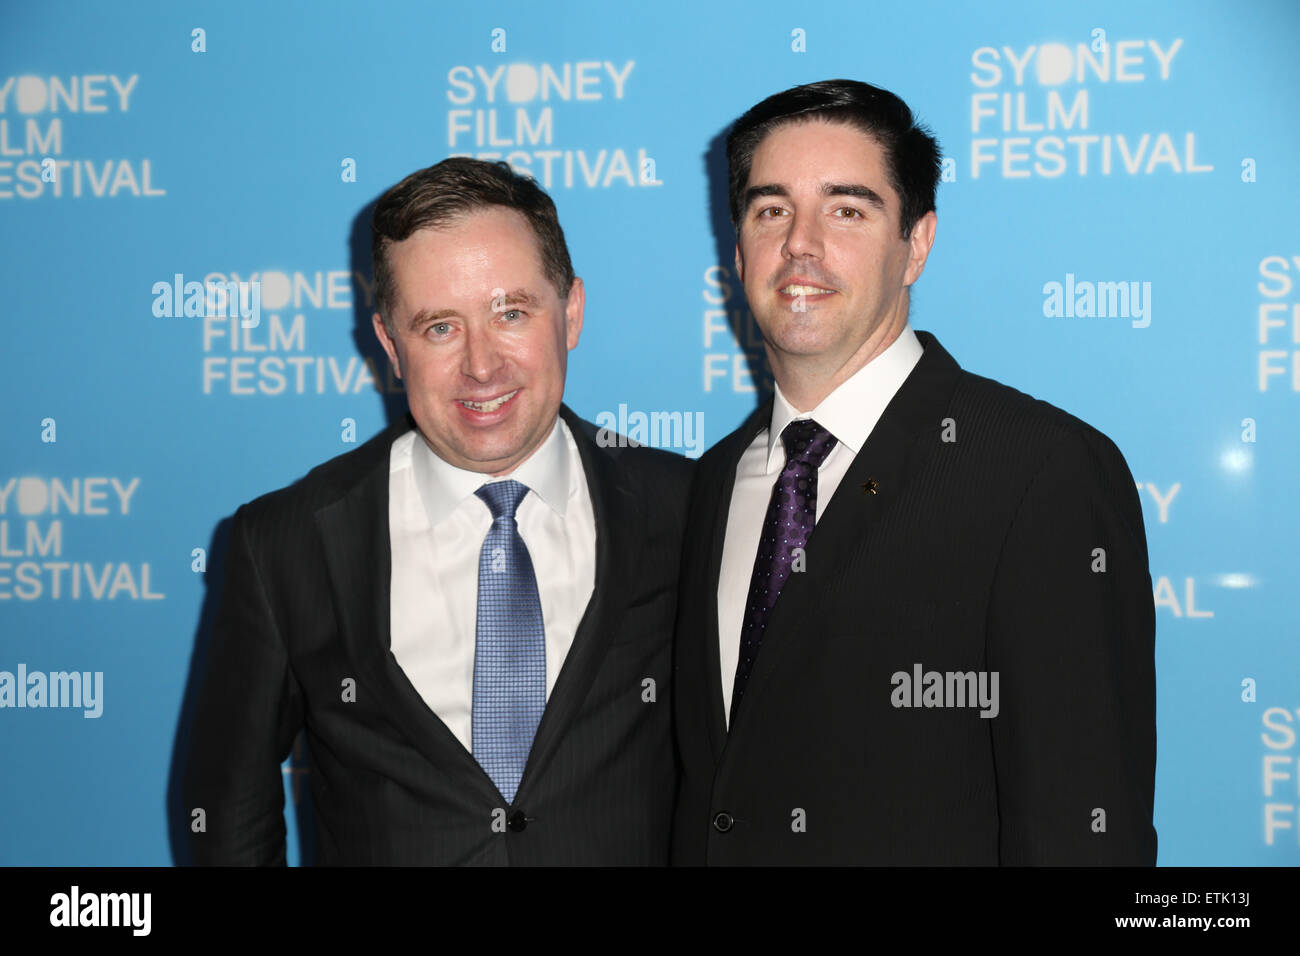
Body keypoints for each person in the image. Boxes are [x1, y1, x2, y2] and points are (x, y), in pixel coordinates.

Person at [671, 79, 1157, 865]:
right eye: (770, 209)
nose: (800, 243)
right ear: (737, 250)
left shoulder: (1039, 472)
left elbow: (1082, 828)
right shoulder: (714, 484)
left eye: (847, 209)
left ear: (918, 243)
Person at [186, 157, 691, 865]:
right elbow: (225, 808)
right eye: (440, 328)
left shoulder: (689, 510)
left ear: (570, 312)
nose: (482, 366)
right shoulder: (287, 544)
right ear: (391, 344)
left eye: (511, 312)